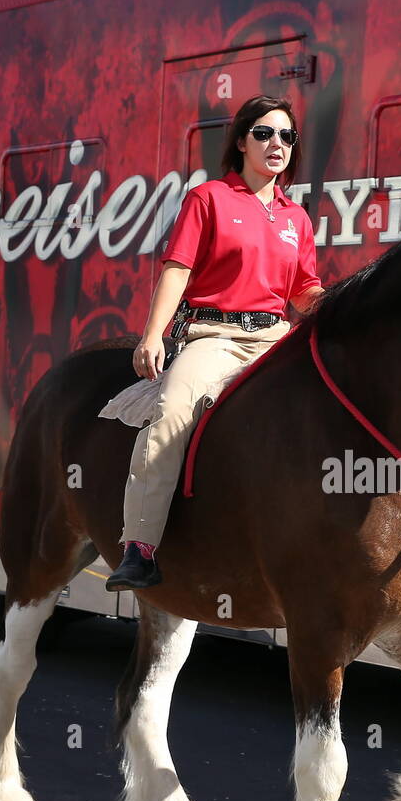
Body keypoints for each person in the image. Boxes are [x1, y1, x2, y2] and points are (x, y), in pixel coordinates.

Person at [105, 95, 325, 590]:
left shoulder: (297, 218)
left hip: (274, 338)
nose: (277, 144)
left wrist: (339, 308)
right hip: (215, 335)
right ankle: (139, 549)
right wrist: (152, 336)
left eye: (287, 136)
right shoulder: (209, 198)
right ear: (242, 141)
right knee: (170, 415)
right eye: (265, 134)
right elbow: (178, 269)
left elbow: (304, 292)